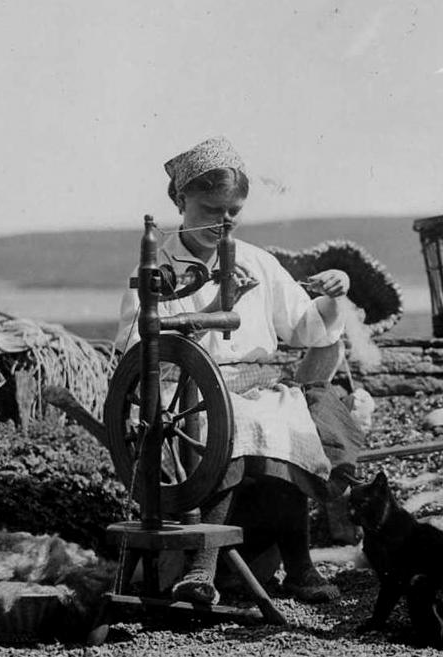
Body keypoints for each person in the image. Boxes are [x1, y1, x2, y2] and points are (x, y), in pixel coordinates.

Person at [114, 136, 364, 603]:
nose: (223, 221)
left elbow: (309, 329)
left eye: (234, 211)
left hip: (252, 387)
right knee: (242, 424)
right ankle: (204, 565)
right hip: (180, 397)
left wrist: (334, 293)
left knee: (291, 427)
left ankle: (299, 565)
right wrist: (214, 302)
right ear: (180, 200)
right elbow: (135, 350)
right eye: (211, 209)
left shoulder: (257, 262)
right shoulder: (156, 268)